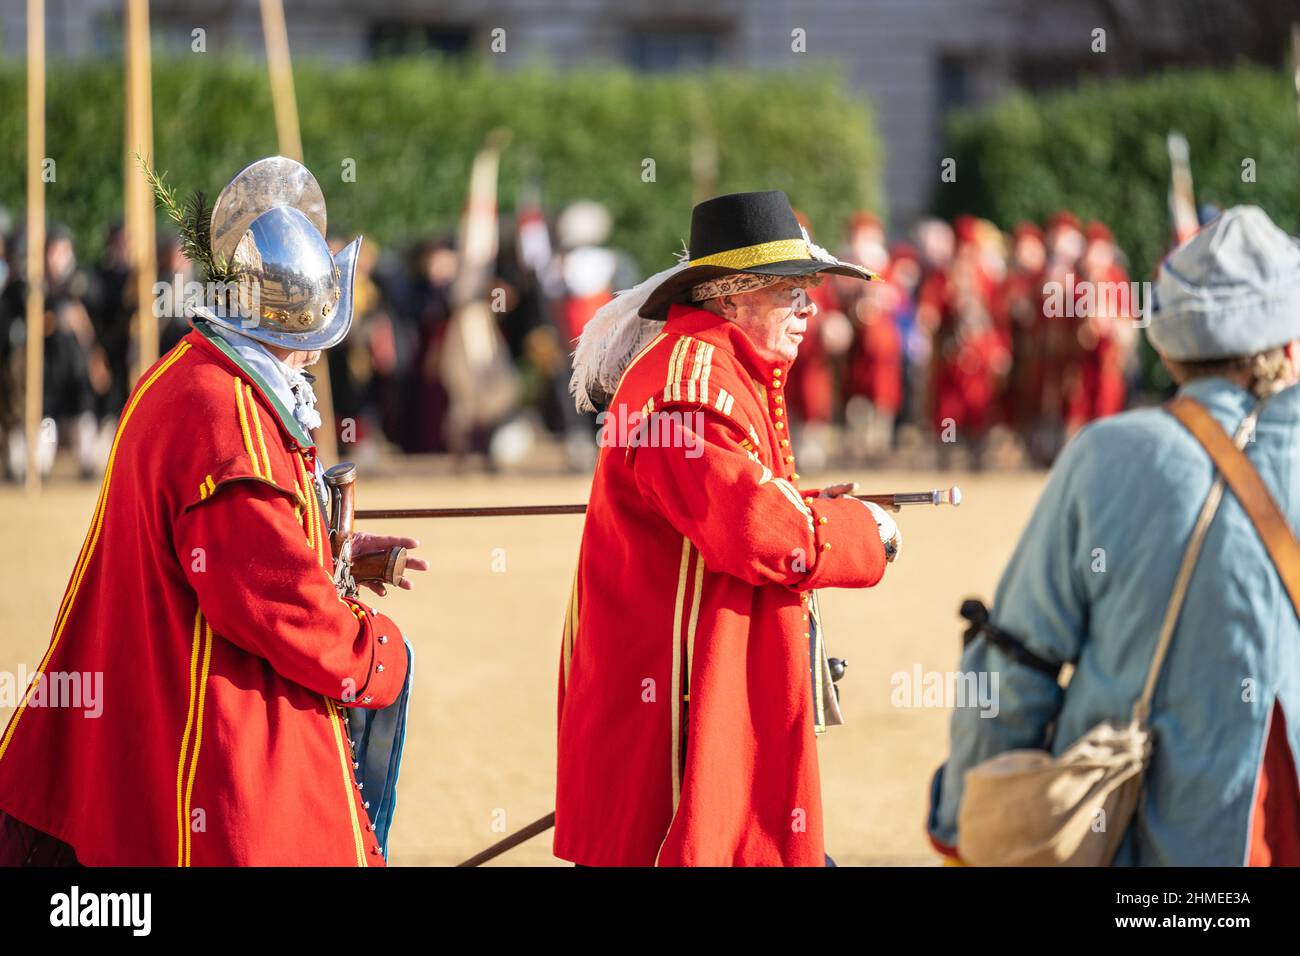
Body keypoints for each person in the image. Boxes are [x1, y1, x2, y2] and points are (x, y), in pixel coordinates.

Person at [0, 157, 427, 866]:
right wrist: (379, 653)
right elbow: (272, 602)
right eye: (307, 344)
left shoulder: (191, 374)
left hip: (151, 717)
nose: (308, 362)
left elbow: (256, 545)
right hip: (202, 748)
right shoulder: (228, 418)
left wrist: (340, 552)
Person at [927, 205, 1300, 865]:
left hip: (1138, 846)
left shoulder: (1107, 455)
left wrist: (962, 818)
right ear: (1292, 345)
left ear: (1167, 346)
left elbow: (1016, 662)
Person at [559, 190, 903, 866]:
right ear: (732, 295)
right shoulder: (691, 381)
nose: (810, 310)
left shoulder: (714, 367)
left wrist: (810, 507)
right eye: (792, 294)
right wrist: (865, 532)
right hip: (672, 725)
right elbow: (753, 531)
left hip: (694, 704)